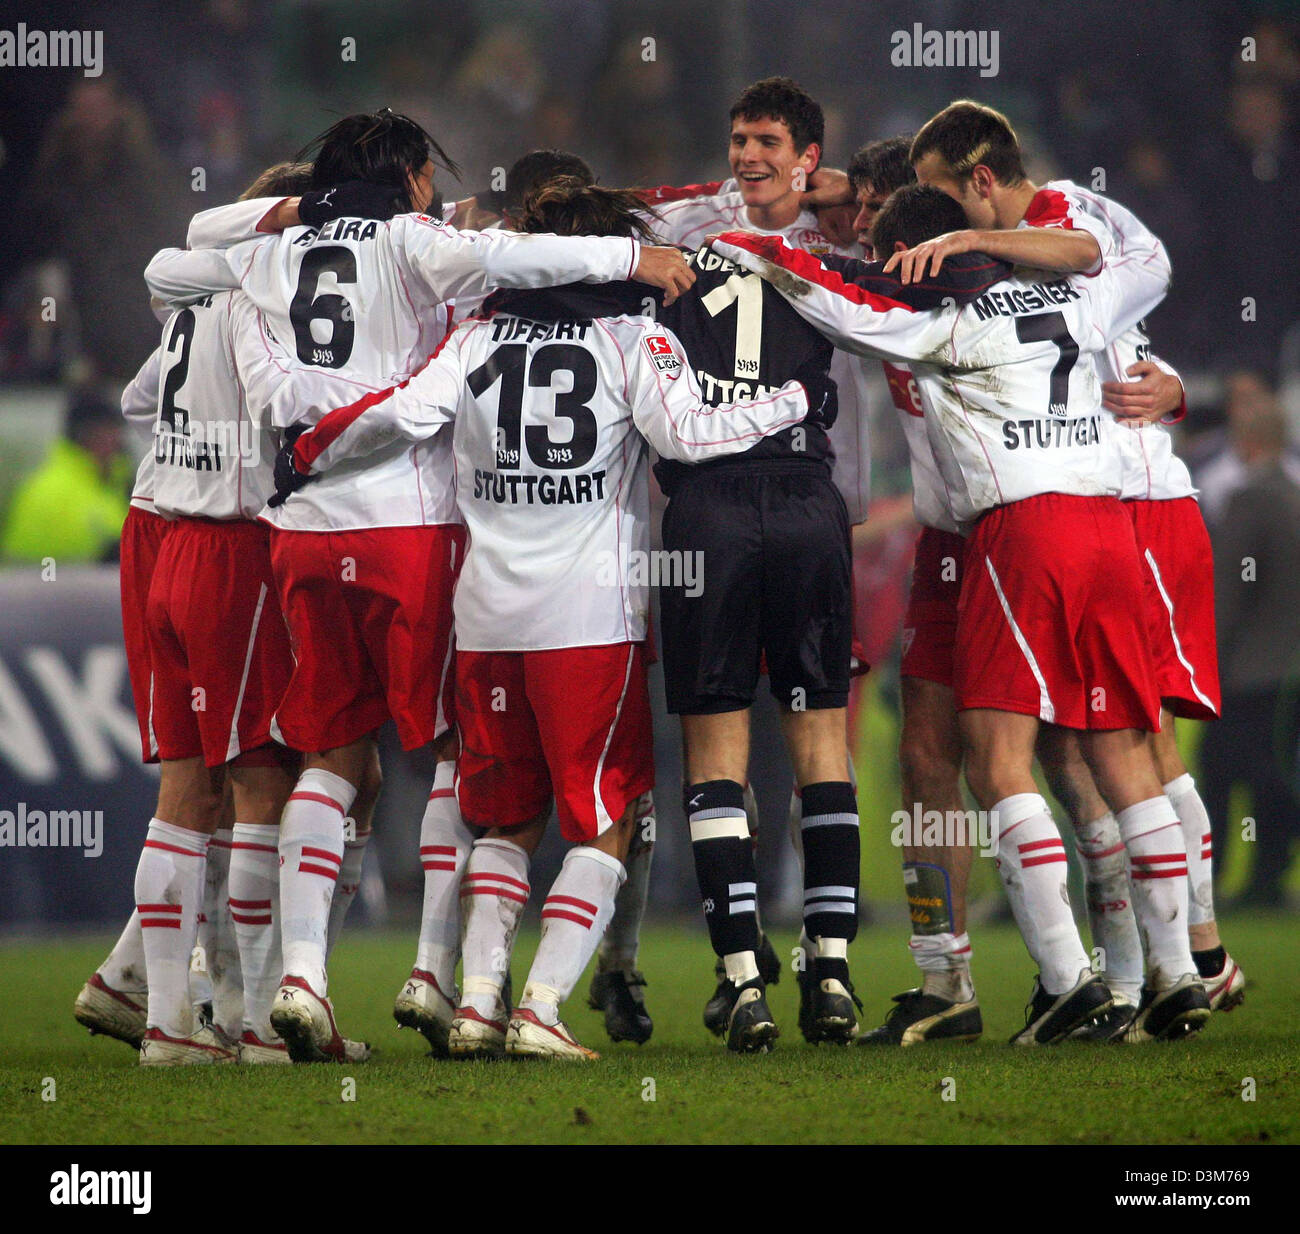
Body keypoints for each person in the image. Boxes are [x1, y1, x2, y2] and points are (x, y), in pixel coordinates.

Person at [144, 109, 695, 1062]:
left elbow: (178, 252)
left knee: (329, 753)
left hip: (303, 532)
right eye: (428, 180)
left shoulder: (268, 257)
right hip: (413, 526)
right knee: (453, 753)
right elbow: (516, 267)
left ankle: (301, 982)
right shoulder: (411, 239)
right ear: (406, 182)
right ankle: (436, 977)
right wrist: (629, 259)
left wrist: (284, 215)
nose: (437, 194)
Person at [276, 178, 829, 1059]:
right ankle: (538, 1009)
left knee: (505, 818)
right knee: (605, 818)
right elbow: (688, 435)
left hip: (487, 620)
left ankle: (478, 1005)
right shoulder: (628, 335)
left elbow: (403, 414)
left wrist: (311, 445)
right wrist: (794, 402)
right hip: (586, 621)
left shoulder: (477, 334)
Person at [714, 182, 1212, 1045]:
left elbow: (843, 300)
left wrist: (745, 246)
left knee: (1012, 757)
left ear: (920, 251)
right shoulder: (1077, 292)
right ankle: (1114, 974)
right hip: (1066, 531)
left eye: (879, 244)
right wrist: (1173, 390)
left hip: (1021, 531)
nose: (871, 257)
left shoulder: (934, 319)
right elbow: (1125, 259)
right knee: (1076, 750)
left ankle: (1093, 978)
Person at [641, 75, 874, 1042]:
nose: (747, 156)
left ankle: (747, 981)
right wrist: (841, 190)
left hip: (711, 507)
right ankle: (829, 976)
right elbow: (901, 200)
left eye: (767, 141)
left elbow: (576, 206)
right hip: (807, 501)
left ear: (805, 154)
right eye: (739, 139)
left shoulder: (678, 232)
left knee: (718, 750)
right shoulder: (846, 240)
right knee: (820, 743)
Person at [2, 391, 131, 565]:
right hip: (58, 587)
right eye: (111, 432)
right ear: (87, 436)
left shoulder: (108, 484)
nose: (119, 442)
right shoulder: (55, 491)